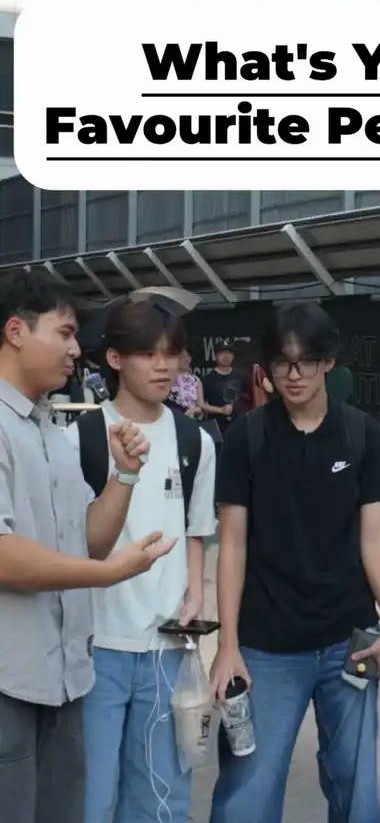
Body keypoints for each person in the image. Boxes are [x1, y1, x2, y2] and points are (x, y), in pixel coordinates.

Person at [209, 301, 380, 823]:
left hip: (350, 639)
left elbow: (373, 540)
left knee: (356, 787)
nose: (293, 375)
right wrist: (227, 645)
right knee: (247, 791)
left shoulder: (361, 434)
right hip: (267, 644)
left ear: (328, 363)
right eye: (282, 363)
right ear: (267, 368)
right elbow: (232, 545)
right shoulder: (247, 437)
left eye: (306, 362)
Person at [0, 273, 175, 823]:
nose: (77, 350)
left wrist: (124, 476)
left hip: (64, 679)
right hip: (8, 681)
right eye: (65, 332)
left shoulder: (51, 431)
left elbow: (90, 541)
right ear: (15, 332)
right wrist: (111, 574)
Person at [65, 299, 217, 823]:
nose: (163, 366)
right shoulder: (82, 436)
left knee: (161, 797)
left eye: (171, 354)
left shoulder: (195, 440)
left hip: (166, 646)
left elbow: (196, 532)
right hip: (95, 646)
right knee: (90, 797)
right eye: (147, 354)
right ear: (114, 358)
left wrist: (195, 594)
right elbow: (75, 543)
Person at [201, 339, 250, 436]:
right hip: (216, 427)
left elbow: (248, 398)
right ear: (216, 355)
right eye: (222, 353)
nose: (226, 356)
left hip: (238, 425)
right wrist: (220, 410)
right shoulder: (207, 379)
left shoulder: (240, 375)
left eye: (229, 353)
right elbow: (202, 405)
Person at [169, 348, 205, 418]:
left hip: (190, 419)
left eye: (188, 357)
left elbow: (201, 407)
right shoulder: (168, 378)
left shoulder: (196, 380)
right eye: (183, 357)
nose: (186, 359)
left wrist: (192, 410)